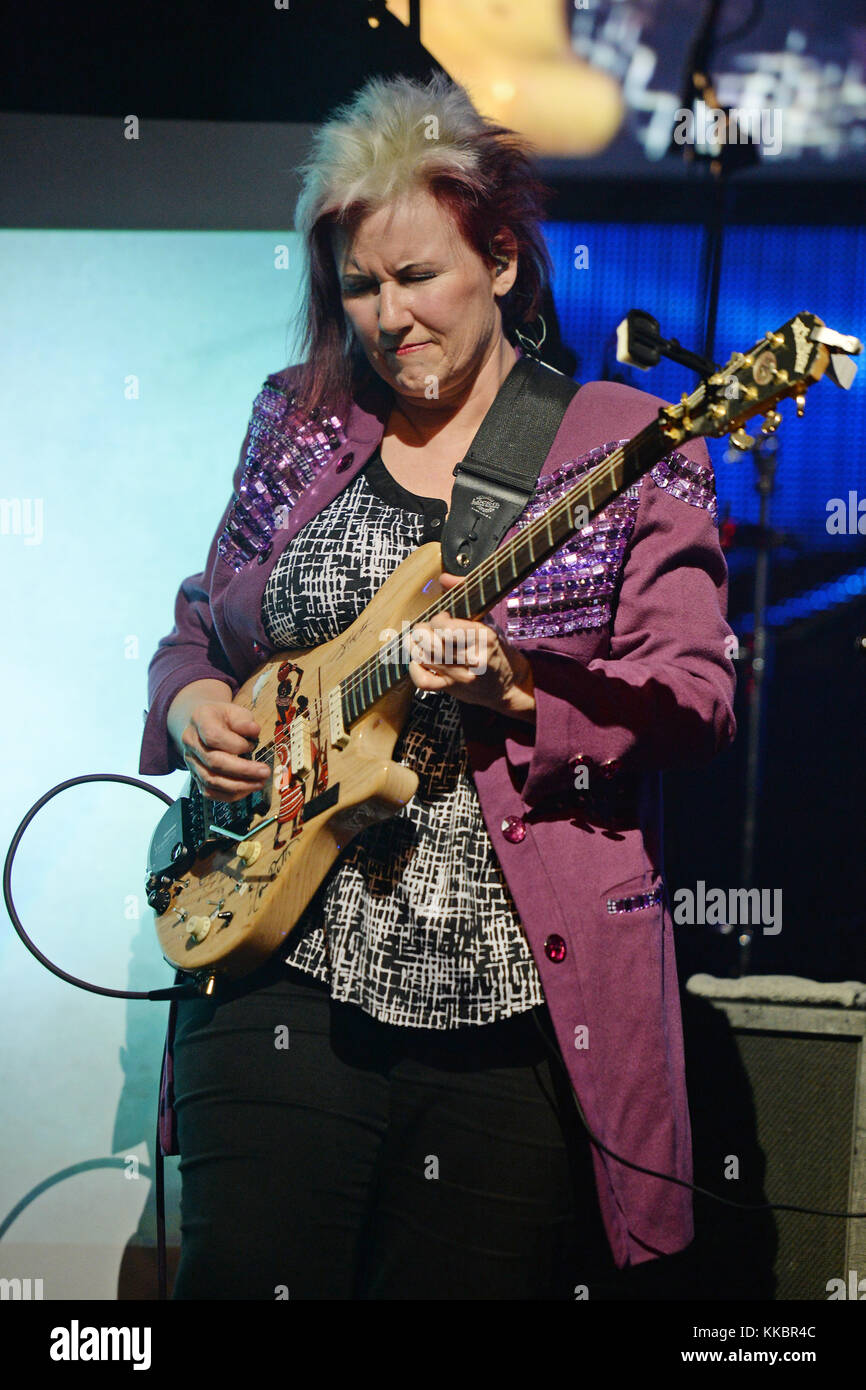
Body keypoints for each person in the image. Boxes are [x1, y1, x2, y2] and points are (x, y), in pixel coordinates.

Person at [139, 71, 737, 1300]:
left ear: (502, 261)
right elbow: (205, 625)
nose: (387, 316)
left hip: (509, 993)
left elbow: (695, 696)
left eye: (417, 276)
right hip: (279, 954)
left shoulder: (623, 443)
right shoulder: (300, 419)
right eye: (359, 286)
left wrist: (519, 685)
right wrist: (192, 704)